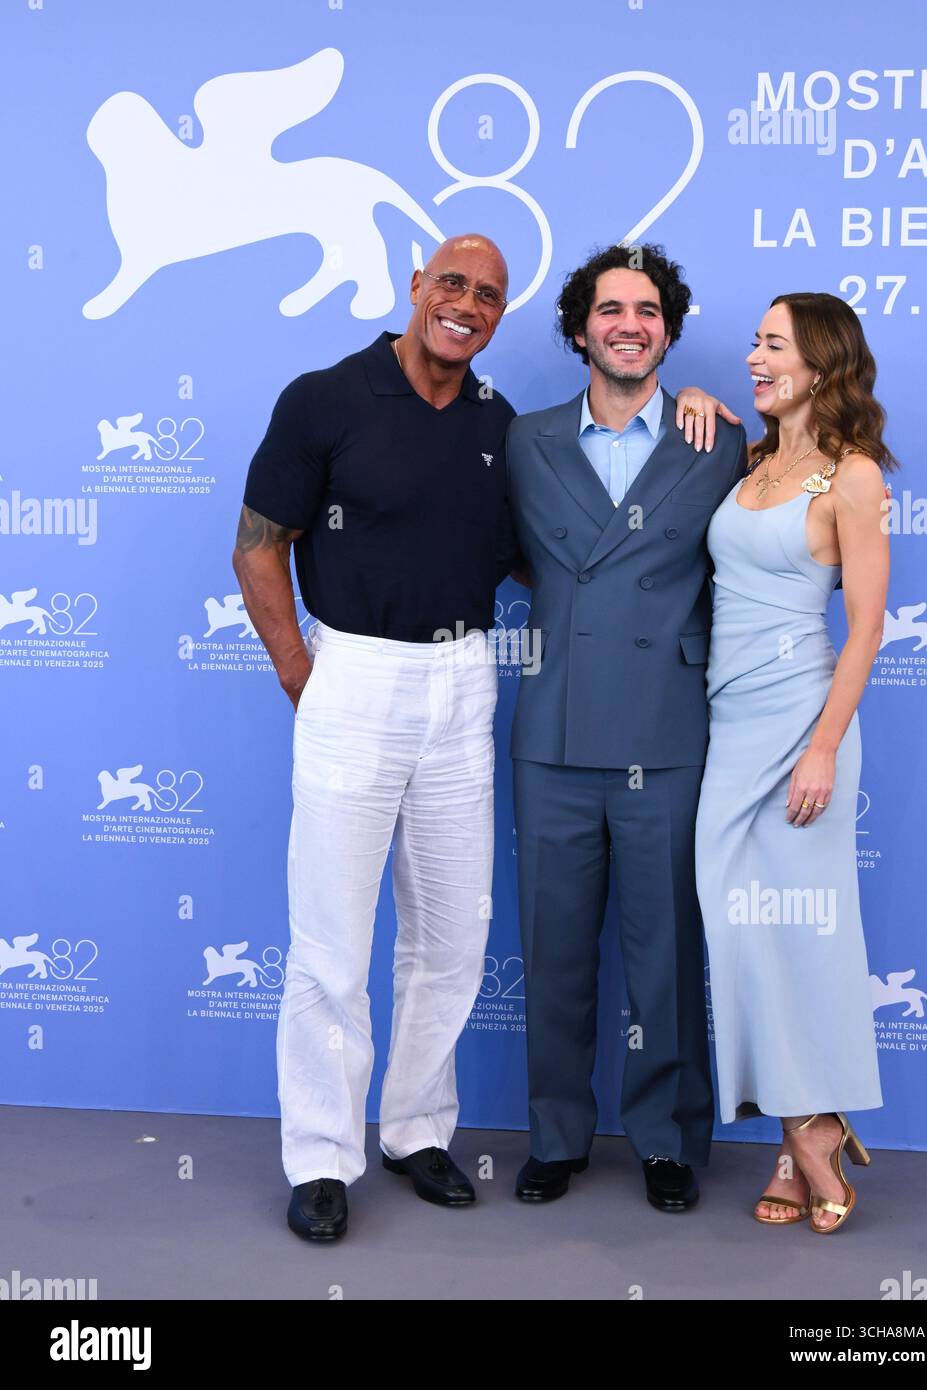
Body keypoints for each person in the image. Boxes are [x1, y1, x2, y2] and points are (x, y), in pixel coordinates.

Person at [233, 233, 522, 1241]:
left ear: (498, 316)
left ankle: (415, 1129)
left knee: (452, 934)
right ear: (415, 287)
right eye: (453, 283)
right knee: (331, 941)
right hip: (353, 672)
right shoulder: (324, 398)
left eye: (488, 296)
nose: (466, 305)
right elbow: (258, 545)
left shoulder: (497, 422)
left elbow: (542, 550)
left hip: (464, 680)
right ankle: (321, 1155)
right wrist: (300, 672)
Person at [505, 244, 747, 1211]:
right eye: (610, 310)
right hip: (554, 728)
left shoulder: (718, 439)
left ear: (669, 331)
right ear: (580, 330)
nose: (629, 325)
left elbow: (779, 527)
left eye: (647, 311)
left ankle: (666, 1141)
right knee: (553, 947)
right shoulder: (523, 439)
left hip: (666, 728)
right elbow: (504, 552)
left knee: (665, 952)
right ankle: (556, 1136)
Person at [692, 291, 892, 1232]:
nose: (754, 358)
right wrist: (691, 400)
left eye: (772, 345)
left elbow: (866, 629)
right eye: (754, 343)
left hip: (803, 727)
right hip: (728, 730)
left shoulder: (852, 477)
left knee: (805, 935)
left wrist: (821, 749)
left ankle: (802, 1139)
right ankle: (806, 1121)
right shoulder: (747, 463)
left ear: (820, 363)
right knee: (740, 933)